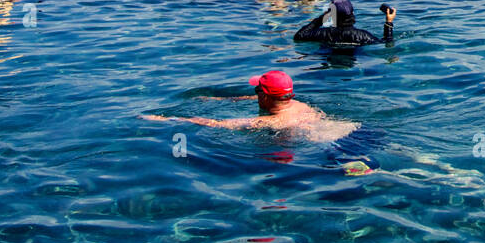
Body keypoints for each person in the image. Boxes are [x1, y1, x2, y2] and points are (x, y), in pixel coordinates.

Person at [141, 70, 356, 144]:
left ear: (266, 96)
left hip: (338, 150)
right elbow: (266, 98)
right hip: (353, 130)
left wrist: (167, 119)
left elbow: (216, 124)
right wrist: (220, 100)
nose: (255, 94)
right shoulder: (298, 105)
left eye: (258, 90)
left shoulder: (270, 121)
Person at [294, 0, 394, 46]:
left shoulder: (324, 33)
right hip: (354, 63)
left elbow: (299, 36)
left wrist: (323, 18)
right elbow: (387, 43)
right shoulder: (362, 35)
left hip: (329, 61)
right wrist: (389, 22)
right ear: (352, 14)